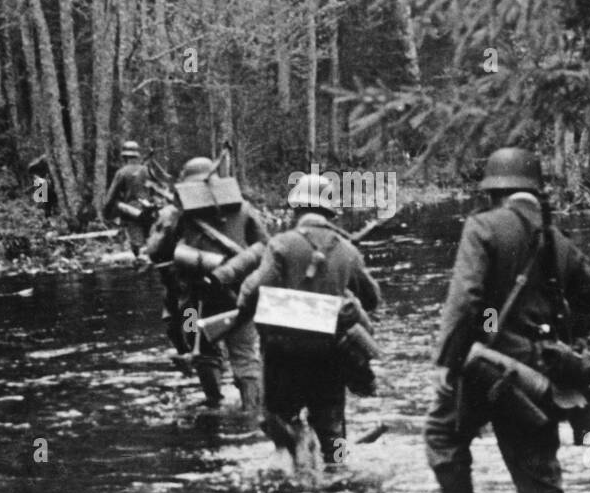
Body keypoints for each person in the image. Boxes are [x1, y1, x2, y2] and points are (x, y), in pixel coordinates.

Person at [427, 147, 590, 493]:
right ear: (535, 191)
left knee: (444, 437)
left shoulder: (484, 227)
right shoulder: (557, 241)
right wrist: (563, 332)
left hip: (480, 367)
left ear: (494, 191)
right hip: (534, 376)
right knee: (540, 482)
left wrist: (445, 362)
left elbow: (465, 302)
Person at [236, 174, 381, 461]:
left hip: (283, 352)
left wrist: (244, 308)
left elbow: (255, 289)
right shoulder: (347, 249)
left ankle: (297, 443)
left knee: (277, 416)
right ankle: (338, 472)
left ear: (297, 211)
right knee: (332, 427)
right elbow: (373, 298)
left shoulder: (281, 244)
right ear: (329, 213)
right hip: (330, 351)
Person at [145, 156, 268, 412]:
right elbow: (266, 246)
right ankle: (252, 413)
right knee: (245, 355)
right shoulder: (243, 207)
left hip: (193, 300)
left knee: (201, 350)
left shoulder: (176, 212)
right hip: (240, 294)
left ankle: (215, 406)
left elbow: (156, 252)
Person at [102, 141, 156, 256]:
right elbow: (155, 191)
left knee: (138, 247)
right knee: (151, 244)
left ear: (124, 156)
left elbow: (111, 197)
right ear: (137, 155)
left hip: (132, 214)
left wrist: (105, 214)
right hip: (149, 212)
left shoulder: (122, 172)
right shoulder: (147, 170)